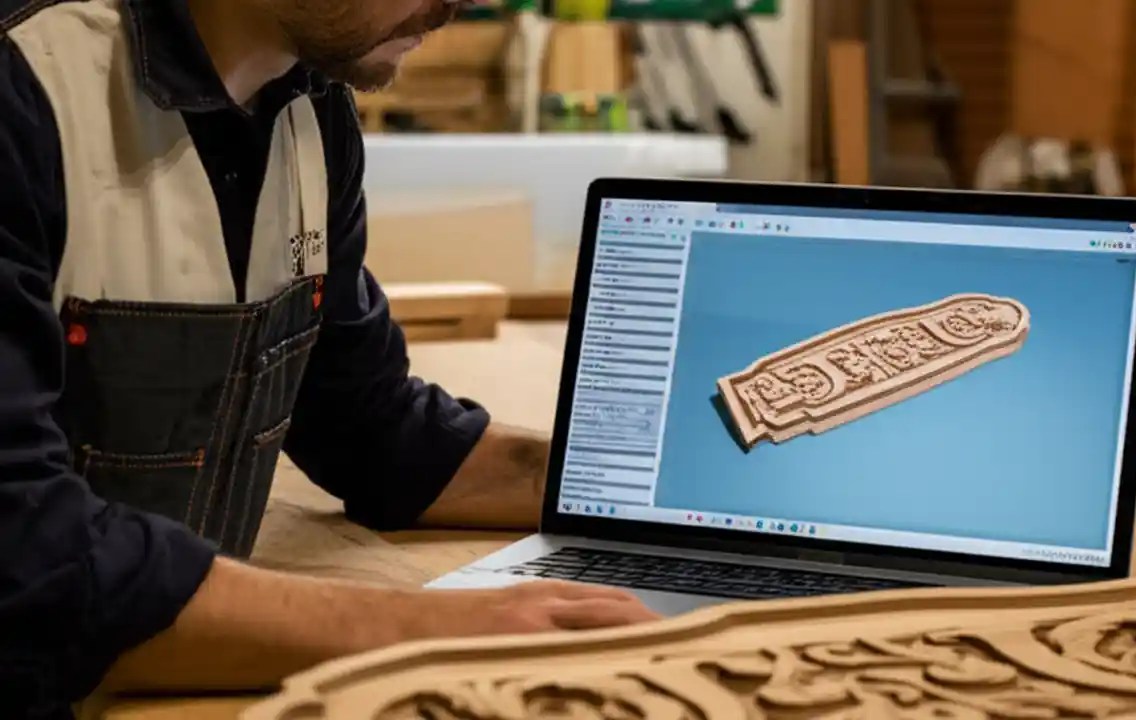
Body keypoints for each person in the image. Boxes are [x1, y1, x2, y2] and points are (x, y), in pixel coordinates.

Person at [0, 0, 657, 714]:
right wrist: (440, 628)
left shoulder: (310, 110)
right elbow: (25, 559)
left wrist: (655, 493)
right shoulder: (26, 85)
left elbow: (372, 432)